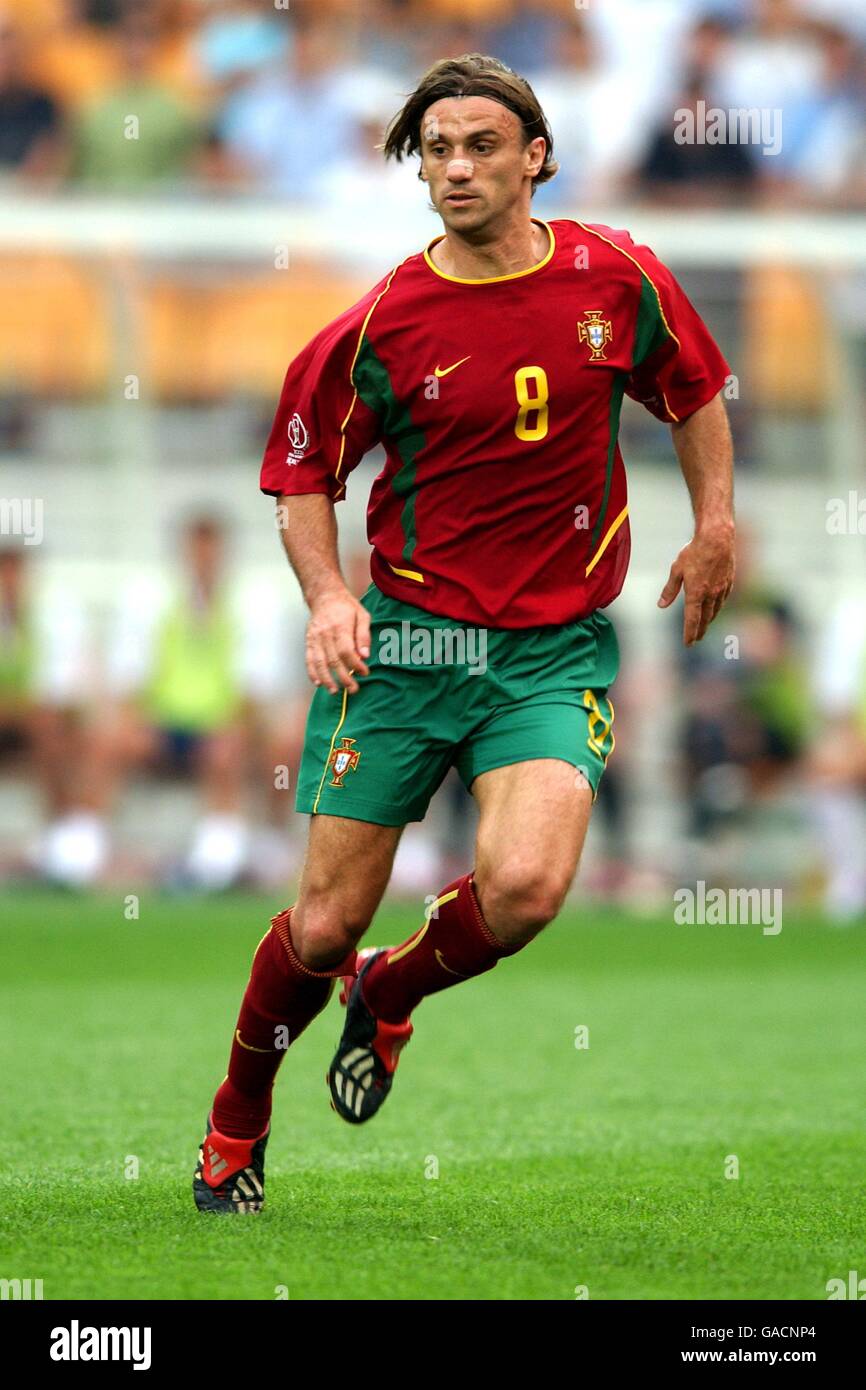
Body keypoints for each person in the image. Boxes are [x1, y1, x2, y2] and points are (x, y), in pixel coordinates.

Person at [193, 52, 735, 1214]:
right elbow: (299, 471)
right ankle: (238, 1115)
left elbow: (691, 388)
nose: (455, 168)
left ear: (534, 156)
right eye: (435, 150)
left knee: (529, 887)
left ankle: (393, 990)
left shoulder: (614, 276)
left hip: (545, 649)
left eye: (479, 145)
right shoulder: (381, 323)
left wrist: (715, 525)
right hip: (407, 645)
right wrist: (331, 598)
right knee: (325, 921)